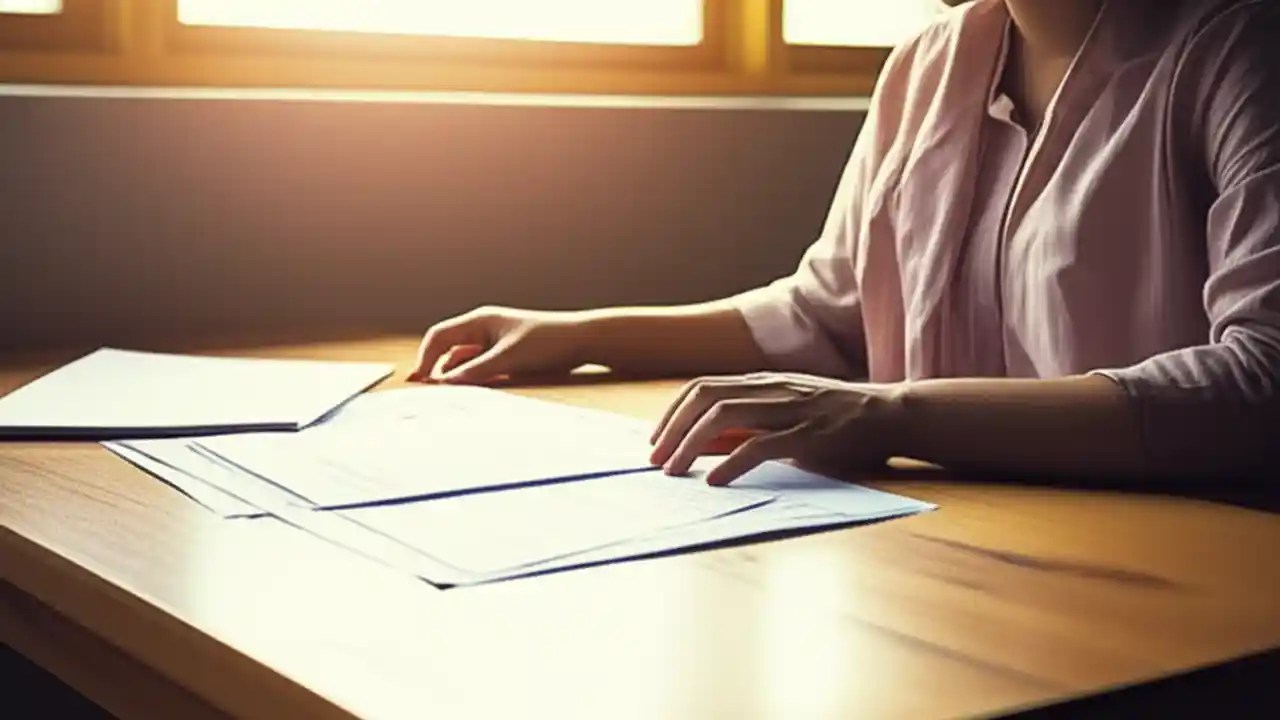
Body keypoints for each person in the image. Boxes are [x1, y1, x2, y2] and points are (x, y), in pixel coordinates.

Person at [410, 0, 1280, 487]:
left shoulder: (1240, 50)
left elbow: (1262, 382)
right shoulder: (930, 61)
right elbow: (828, 312)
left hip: (1185, 565)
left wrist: (890, 413)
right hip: (953, 543)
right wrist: (587, 334)